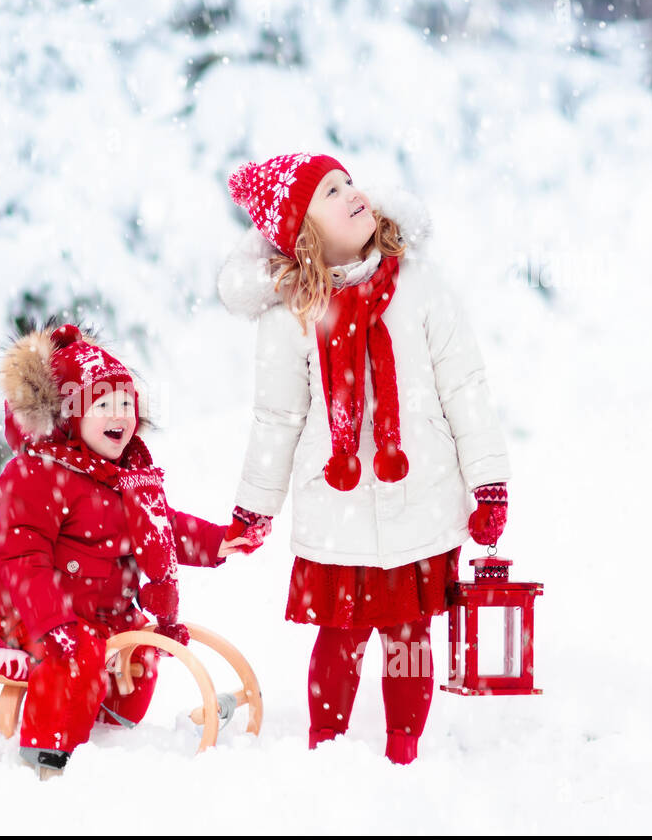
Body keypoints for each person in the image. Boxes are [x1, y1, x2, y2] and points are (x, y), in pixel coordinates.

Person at [218, 152, 511, 764]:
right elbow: (278, 419)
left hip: (420, 496)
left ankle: (403, 749)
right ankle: (327, 747)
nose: (351, 192)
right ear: (304, 233)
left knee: (410, 632)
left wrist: (488, 483)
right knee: (340, 633)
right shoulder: (291, 315)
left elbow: (466, 388)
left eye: (348, 180)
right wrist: (255, 508)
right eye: (330, 191)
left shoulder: (421, 288)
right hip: (336, 506)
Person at [0, 324, 246, 776]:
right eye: (103, 405)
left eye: (126, 404)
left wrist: (217, 541)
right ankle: (48, 754)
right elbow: (22, 556)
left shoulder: (126, 477)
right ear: (70, 417)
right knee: (75, 658)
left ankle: (112, 732)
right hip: (39, 614)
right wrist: (52, 621)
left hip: (108, 613)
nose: (119, 414)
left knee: (141, 652)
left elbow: (163, 527)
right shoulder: (37, 474)